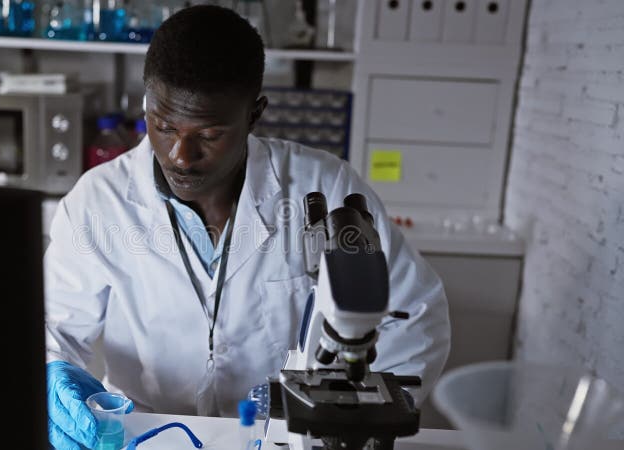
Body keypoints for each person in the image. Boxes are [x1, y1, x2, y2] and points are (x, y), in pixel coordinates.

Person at [44, 5, 450, 449]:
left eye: (209, 134)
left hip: (287, 437)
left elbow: (417, 315)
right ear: (145, 104)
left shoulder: (325, 189)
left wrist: (359, 420)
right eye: (163, 125)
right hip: (148, 434)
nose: (181, 154)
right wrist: (52, 377)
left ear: (254, 114)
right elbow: (55, 329)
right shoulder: (97, 202)